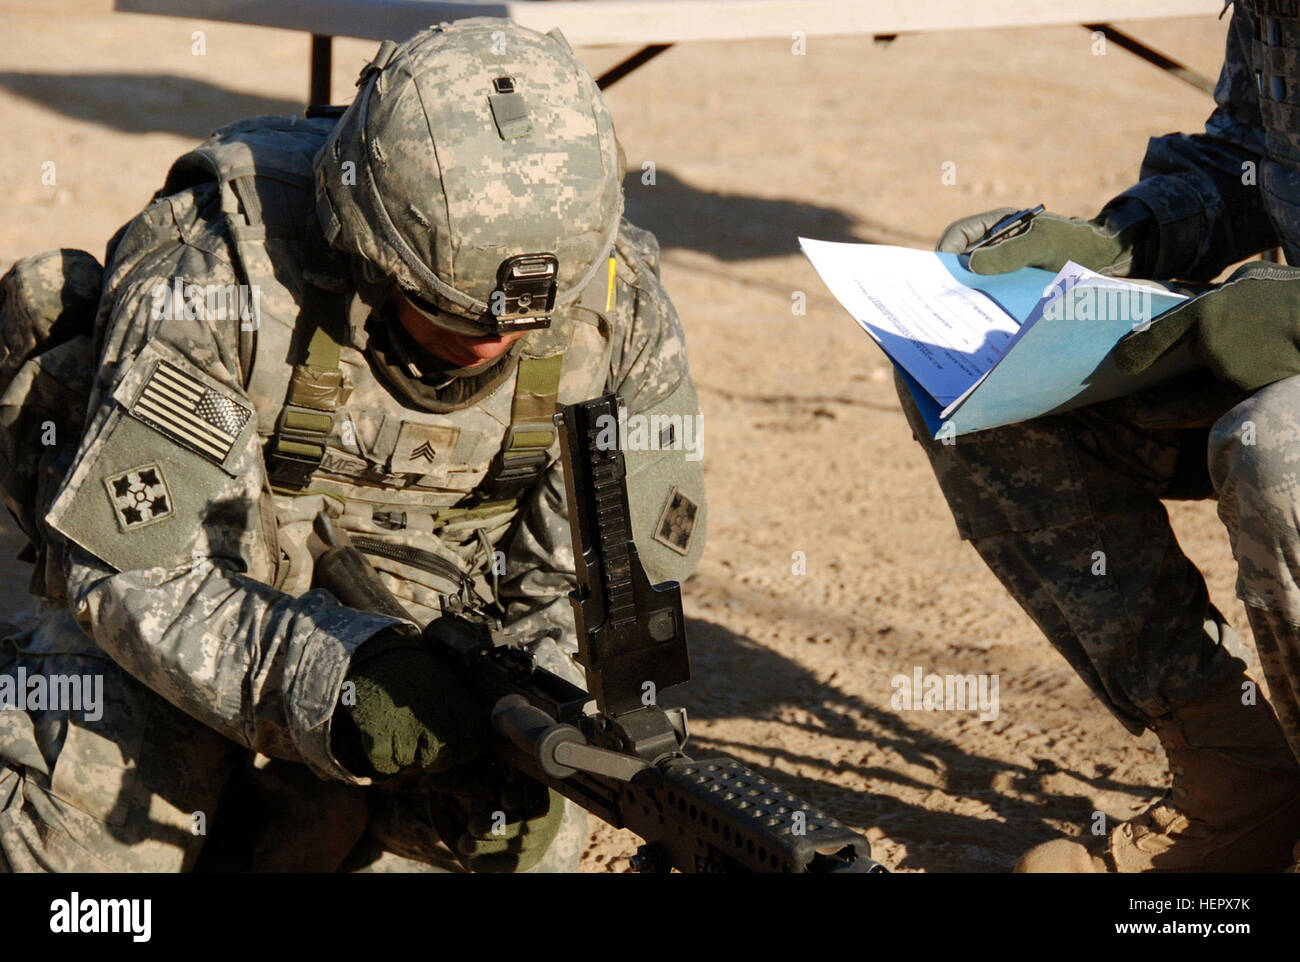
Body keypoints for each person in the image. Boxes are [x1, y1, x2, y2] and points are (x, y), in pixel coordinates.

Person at [0, 18, 706, 873]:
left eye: (526, 324)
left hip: (432, 632)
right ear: (366, 242)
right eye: (446, 308)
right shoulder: (225, 275)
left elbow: (584, 591)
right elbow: (132, 571)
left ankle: (301, 815)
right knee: (93, 846)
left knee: (532, 842)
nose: (490, 343)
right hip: (194, 595)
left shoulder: (617, 314)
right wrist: (333, 686)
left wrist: (524, 712)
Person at [908, 0, 1300, 873]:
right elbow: (1246, 156)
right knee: (971, 386)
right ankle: (1236, 779)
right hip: (1270, 335)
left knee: (1278, 445)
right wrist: (1115, 240)